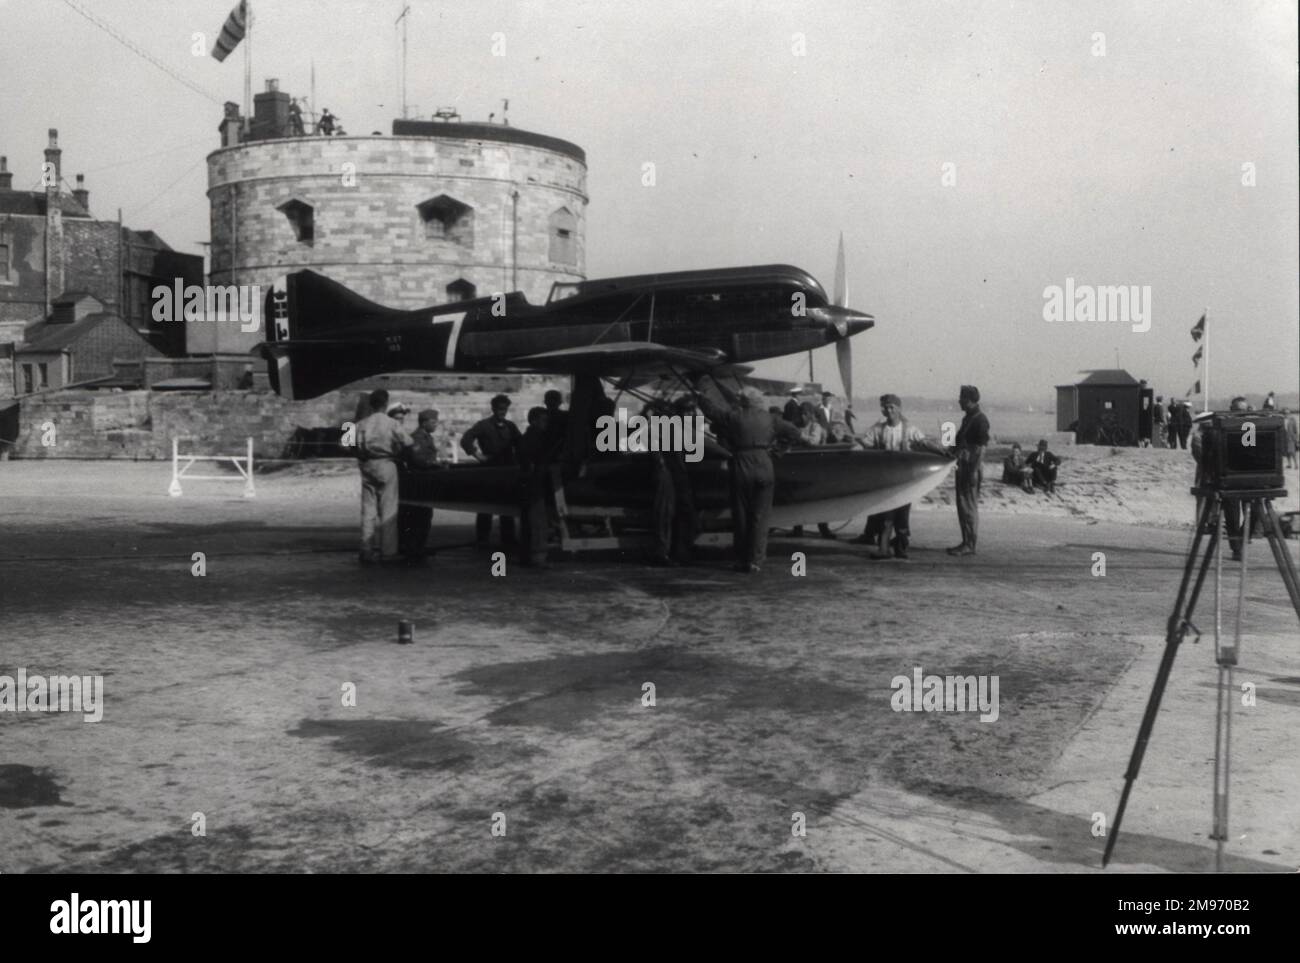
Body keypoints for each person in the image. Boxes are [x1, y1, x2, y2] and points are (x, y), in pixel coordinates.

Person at [696, 380, 801, 572]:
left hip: (741, 463)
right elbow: (794, 432)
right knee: (761, 516)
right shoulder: (771, 419)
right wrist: (778, 451)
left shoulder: (734, 417)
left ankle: (742, 559)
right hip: (764, 463)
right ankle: (756, 560)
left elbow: (712, 412)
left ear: (743, 401)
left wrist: (701, 395)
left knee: (741, 515)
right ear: (758, 401)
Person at [853, 393, 944, 559]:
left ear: (899, 409)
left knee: (902, 515)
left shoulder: (909, 429)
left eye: (892, 407)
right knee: (885, 514)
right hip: (885, 480)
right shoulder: (878, 429)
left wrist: (942, 451)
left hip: (905, 481)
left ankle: (901, 547)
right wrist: (851, 450)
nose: (889, 411)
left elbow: (924, 442)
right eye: (886, 408)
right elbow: (864, 443)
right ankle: (883, 549)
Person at [355, 390, 413, 564]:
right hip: (387, 463)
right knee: (389, 509)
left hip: (367, 465)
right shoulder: (391, 423)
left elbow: (343, 444)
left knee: (368, 510)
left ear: (371, 404)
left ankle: (366, 550)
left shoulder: (361, 423)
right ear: (386, 403)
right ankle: (388, 551)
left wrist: (360, 452)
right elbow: (408, 442)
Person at [460, 394, 522, 545]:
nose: (502, 412)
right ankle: (482, 539)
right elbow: (466, 439)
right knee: (486, 505)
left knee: (507, 506)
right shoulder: (483, 425)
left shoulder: (510, 426)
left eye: (505, 409)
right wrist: (478, 455)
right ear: (493, 408)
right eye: (500, 409)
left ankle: (508, 539)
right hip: (489, 469)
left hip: (507, 469)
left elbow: (521, 444)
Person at [647, 399, 698, 565]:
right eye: (687, 412)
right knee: (666, 513)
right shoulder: (670, 428)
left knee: (671, 513)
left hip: (670, 474)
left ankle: (671, 552)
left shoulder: (672, 428)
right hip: (668, 474)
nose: (690, 415)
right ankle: (663, 553)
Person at [948, 385, 989, 556]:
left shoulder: (980, 420)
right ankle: (965, 542)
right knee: (962, 505)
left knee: (969, 507)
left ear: (969, 400)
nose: (959, 401)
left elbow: (981, 449)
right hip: (963, 465)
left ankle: (970, 545)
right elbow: (958, 442)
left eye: (961, 398)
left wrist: (973, 472)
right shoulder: (968, 418)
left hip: (971, 467)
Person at [398, 409, 442, 561]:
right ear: (424, 423)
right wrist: (434, 464)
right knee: (418, 515)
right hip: (418, 481)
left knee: (425, 515)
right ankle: (414, 547)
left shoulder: (426, 437)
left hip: (425, 481)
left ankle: (419, 546)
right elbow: (417, 459)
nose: (436, 424)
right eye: (433, 422)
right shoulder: (417, 438)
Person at [517, 407, 551, 568]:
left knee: (528, 522)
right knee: (537, 521)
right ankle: (537, 557)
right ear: (534, 421)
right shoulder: (536, 438)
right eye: (543, 420)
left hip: (527, 484)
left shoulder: (527, 437)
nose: (546, 424)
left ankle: (527, 556)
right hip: (534, 484)